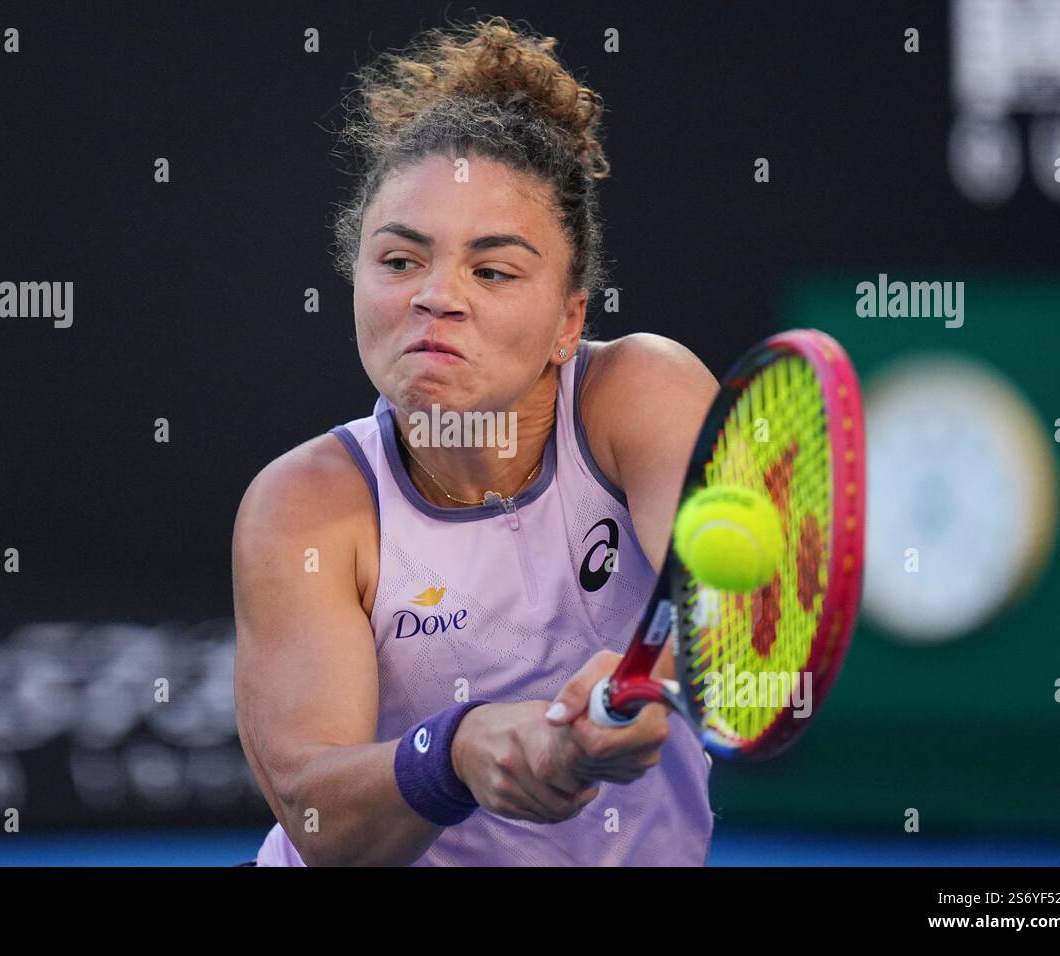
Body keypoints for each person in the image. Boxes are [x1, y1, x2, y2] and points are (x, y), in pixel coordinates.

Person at [232, 16, 718, 866]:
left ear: (570, 321)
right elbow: (316, 818)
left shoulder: (640, 393)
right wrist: (452, 753)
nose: (436, 297)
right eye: (398, 261)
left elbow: (736, 607)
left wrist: (652, 682)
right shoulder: (304, 505)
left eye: (492, 270)